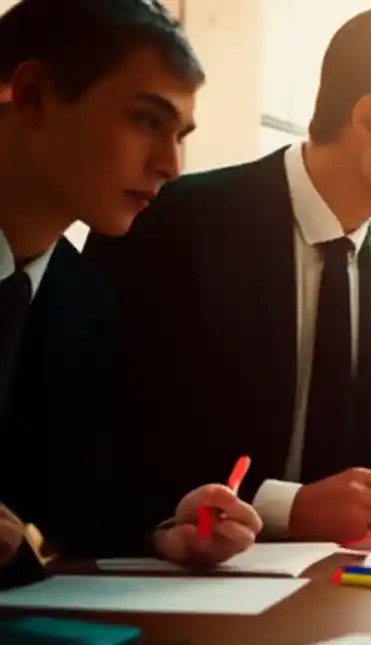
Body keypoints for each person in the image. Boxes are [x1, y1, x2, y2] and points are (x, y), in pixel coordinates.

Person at [85, 2, 371, 543]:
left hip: (330, 580)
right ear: (369, 119)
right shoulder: (172, 223)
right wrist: (288, 508)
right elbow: (102, 443)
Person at [0, 0, 259, 575]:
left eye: (180, 135)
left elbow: (67, 499)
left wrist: (161, 530)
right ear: (33, 95)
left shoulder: (82, 299)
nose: (171, 165)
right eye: (146, 121)